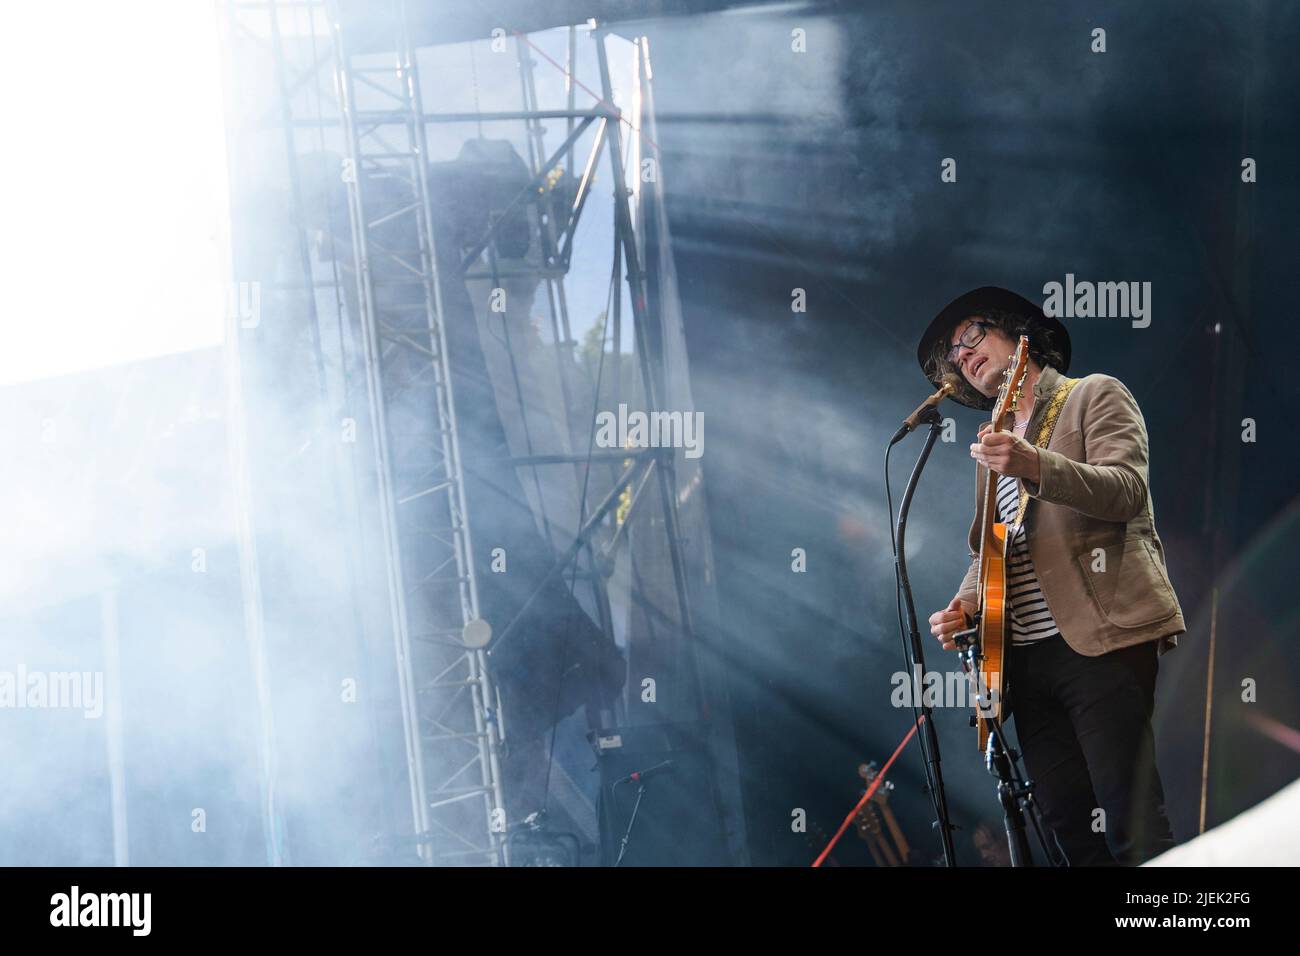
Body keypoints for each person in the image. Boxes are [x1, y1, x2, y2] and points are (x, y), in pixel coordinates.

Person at [919, 286, 1184, 866]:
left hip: (1098, 638)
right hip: (1026, 660)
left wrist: (1033, 463)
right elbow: (989, 545)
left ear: (1019, 336)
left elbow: (1126, 490)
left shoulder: (1094, 394)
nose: (963, 356)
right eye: (955, 356)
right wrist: (965, 604)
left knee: (1132, 818)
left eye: (973, 337)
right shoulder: (992, 446)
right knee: (1068, 825)